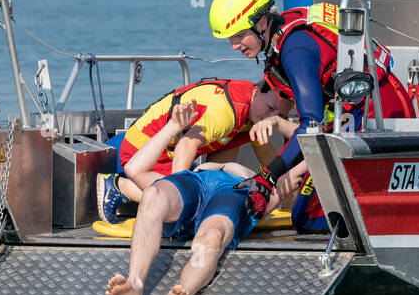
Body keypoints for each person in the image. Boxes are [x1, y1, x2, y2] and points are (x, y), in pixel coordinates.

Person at [208, 0, 416, 232]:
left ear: (261, 22)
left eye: (239, 36)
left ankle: (379, 222)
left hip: (379, 115)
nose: (234, 46)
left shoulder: (294, 49)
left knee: (307, 216)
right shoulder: (285, 31)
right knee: (305, 198)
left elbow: (311, 125)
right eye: (230, 38)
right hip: (363, 113)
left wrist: (267, 177)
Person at [103, 103, 306, 295]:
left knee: (211, 236)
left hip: (236, 191)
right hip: (194, 182)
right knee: (152, 195)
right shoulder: (196, 173)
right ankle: (135, 285)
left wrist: (277, 122)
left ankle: (182, 294)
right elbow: (133, 168)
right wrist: (173, 126)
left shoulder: (261, 192)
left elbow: (308, 152)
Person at [95, 78, 288, 224]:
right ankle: (119, 186)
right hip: (144, 147)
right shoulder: (227, 113)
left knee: (232, 142)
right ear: (256, 92)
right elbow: (185, 145)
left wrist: (285, 190)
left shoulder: (253, 112)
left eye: (280, 115)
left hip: (170, 149)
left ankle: (204, 193)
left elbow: (266, 153)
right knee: (176, 202)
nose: (272, 117)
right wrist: (182, 197)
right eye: (270, 107)